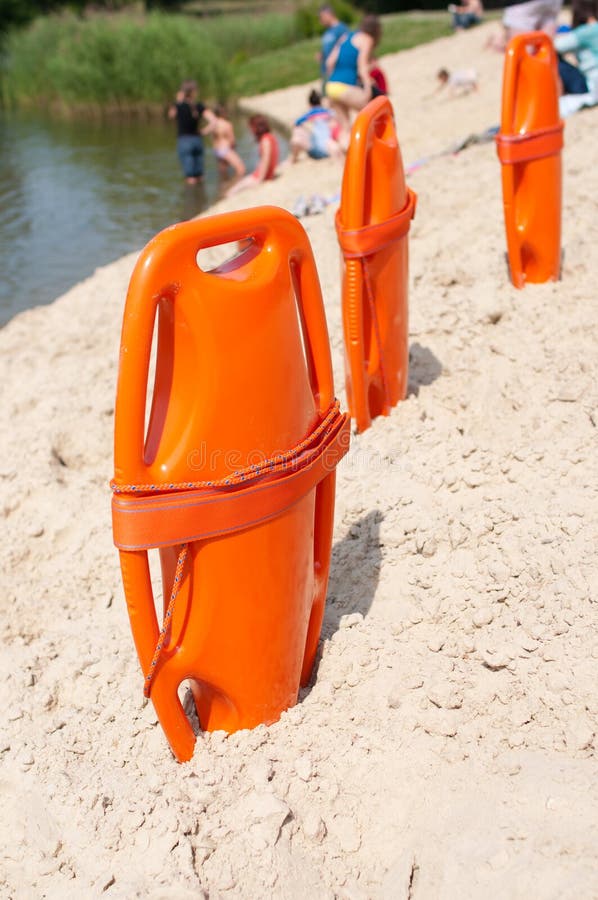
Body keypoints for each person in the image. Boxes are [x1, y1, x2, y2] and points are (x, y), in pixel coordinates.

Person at [325, 15, 383, 147]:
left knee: (345, 126)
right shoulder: (367, 39)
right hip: (344, 86)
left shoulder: (346, 36)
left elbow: (329, 62)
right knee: (371, 112)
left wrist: (333, 80)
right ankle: (375, 147)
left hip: (331, 86)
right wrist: (368, 89)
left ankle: (347, 156)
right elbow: (362, 67)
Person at [167, 79, 214, 185]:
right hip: (197, 140)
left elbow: (171, 116)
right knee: (199, 175)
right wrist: (203, 132)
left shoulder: (178, 106)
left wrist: (178, 100)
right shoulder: (199, 106)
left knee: (190, 177)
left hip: (184, 141)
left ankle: (192, 199)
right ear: (194, 92)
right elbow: (213, 121)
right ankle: (201, 197)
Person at [555, 0, 598, 103]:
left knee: (555, 59)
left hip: (592, 84)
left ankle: (556, 93)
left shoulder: (585, 31)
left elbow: (555, 47)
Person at [226, 115, 279, 196]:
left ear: (257, 127)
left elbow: (266, 160)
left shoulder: (265, 140)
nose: (250, 130)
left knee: (231, 192)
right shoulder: (270, 136)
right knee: (237, 187)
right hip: (265, 175)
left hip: (263, 176)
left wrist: (259, 180)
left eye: (251, 127)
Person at [485, 0, 563, 51]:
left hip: (524, 4)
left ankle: (499, 41)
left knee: (523, 55)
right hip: (553, 3)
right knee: (547, 52)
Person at [289, 90, 342, 162]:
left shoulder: (310, 114)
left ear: (310, 104)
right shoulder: (328, 112)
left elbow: (295, 123)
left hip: (318, 150)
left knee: (298, 130)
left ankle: (293, 159)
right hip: (330, 146)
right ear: (320, 102)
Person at [201, 104, 245, 178]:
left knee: (223, 172)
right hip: (225, 149)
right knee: (241, 169)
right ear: (223, 113)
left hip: (217, 150)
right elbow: (232, 139)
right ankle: (234, 185)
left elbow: (208, 135)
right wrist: (233, 147)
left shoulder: (213, 125)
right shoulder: (227, 124)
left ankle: (224, 187)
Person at [318, 4, 350, 89]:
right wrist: (322, 54)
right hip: (326, 70)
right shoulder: (327, 31)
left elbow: (346, 49)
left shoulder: (341, 29)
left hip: (337, 71)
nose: (320, 21)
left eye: (321, 17)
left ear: (328, 14)